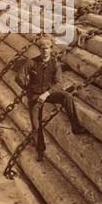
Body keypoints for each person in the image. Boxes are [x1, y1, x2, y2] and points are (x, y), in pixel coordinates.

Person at [13, 33, 87, 162]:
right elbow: (18, 78)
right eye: (42, 48)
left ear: (51, 49)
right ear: (39, 49)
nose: (44, 51)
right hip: (35, 96)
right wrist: (29, 90)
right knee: (36, 126)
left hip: (48, 93)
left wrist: (47, 94)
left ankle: (76, 126)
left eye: (47, 48)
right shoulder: (32, 62)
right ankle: (40, 151)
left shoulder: (55, 64)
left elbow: (59, 83)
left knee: (67, 97)